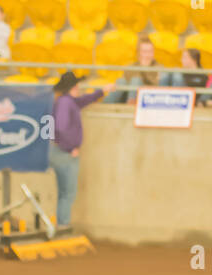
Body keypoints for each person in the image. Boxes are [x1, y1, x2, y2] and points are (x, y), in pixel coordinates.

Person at [49, 70, 105, 231]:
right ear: (73, 86)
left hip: (59, 151)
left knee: (64, 192)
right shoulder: (67, 103)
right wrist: (70, 147)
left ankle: (61, 224)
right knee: (68, 192)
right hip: (65, 153)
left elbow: (83, 101)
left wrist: (101, 92)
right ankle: (63, 225)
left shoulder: (66, 102)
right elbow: (61, 127)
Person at [106, 36, 166, 105]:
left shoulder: (159, 67)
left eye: (150, 51)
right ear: (139, 52)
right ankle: (105, 105)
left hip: (148, 99)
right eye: (144, 51)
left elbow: (158, 87)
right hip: (126, 97)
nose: (147, 55)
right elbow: (124, 84)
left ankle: (131, 105)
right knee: (121, 81)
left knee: (136, 80)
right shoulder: (131, 67)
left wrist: (144, 69)